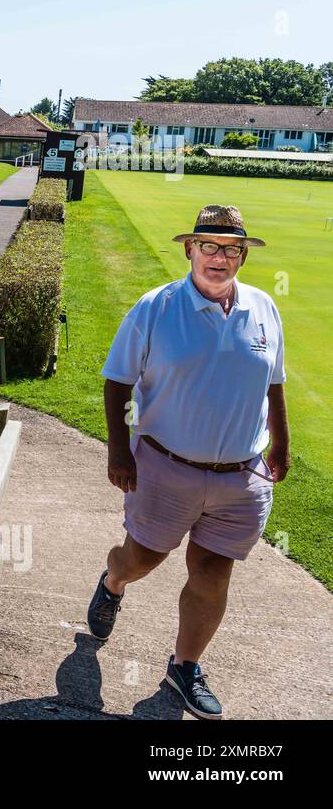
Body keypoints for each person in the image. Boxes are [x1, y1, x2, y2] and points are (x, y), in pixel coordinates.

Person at [87, 205, 288, 720]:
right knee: (142, 561)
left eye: (231, 249)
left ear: (243, 256)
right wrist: (117, 450)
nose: (219, 258)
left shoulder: (264, 308)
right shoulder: (156, 307)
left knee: (213, 572)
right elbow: (117, 380)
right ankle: (112, 581)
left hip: (240, 476)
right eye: (209, 246)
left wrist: (280, 443)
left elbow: (273, 383)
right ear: (189, 250)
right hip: (164, 466)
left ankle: (185, 666)